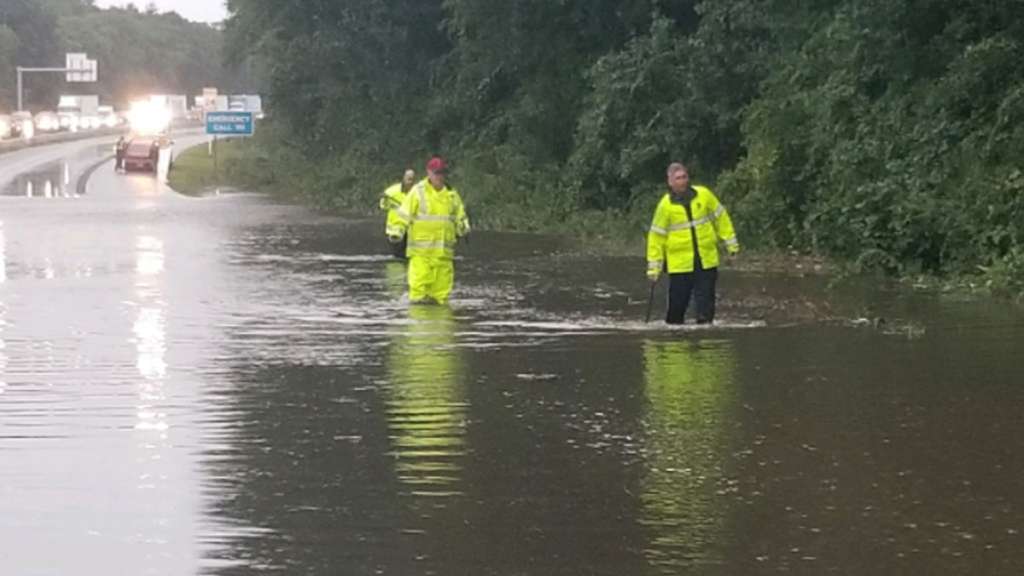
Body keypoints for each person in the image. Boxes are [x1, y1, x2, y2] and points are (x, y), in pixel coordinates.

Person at [646, 162, 739, 324]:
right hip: (680, 264)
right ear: (670, 182)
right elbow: (656, 237)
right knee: (676, 310)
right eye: (677, 178)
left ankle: (704, 337)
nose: (682, 181)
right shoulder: (665, 206)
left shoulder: (704, 195)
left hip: (706, 260)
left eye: (684, 177)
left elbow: (721, 218)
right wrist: (654, 268)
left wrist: (731, 244)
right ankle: (676, 339)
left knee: (706, 306)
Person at [391, 157, 470, 304]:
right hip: (421, 255)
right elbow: (403, 215)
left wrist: (463, 228)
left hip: (443, 257)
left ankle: (439, 324)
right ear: (429, 173)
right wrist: (397, 231)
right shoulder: (418, 192)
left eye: (442, 173)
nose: (440, 176)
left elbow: (460, 217)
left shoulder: (452, 195)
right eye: (437, 173)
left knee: (441, 298)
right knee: (418, 296)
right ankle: (420, 325)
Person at [380, 169, 416, 258]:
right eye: (409, 179)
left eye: (412, 179)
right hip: (396, 230)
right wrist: (390, 204)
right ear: (404, 178)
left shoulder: (417, 192)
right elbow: (383, 206)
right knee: (398, 257)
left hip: (411, 229)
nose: (410, 182)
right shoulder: (391, 192)